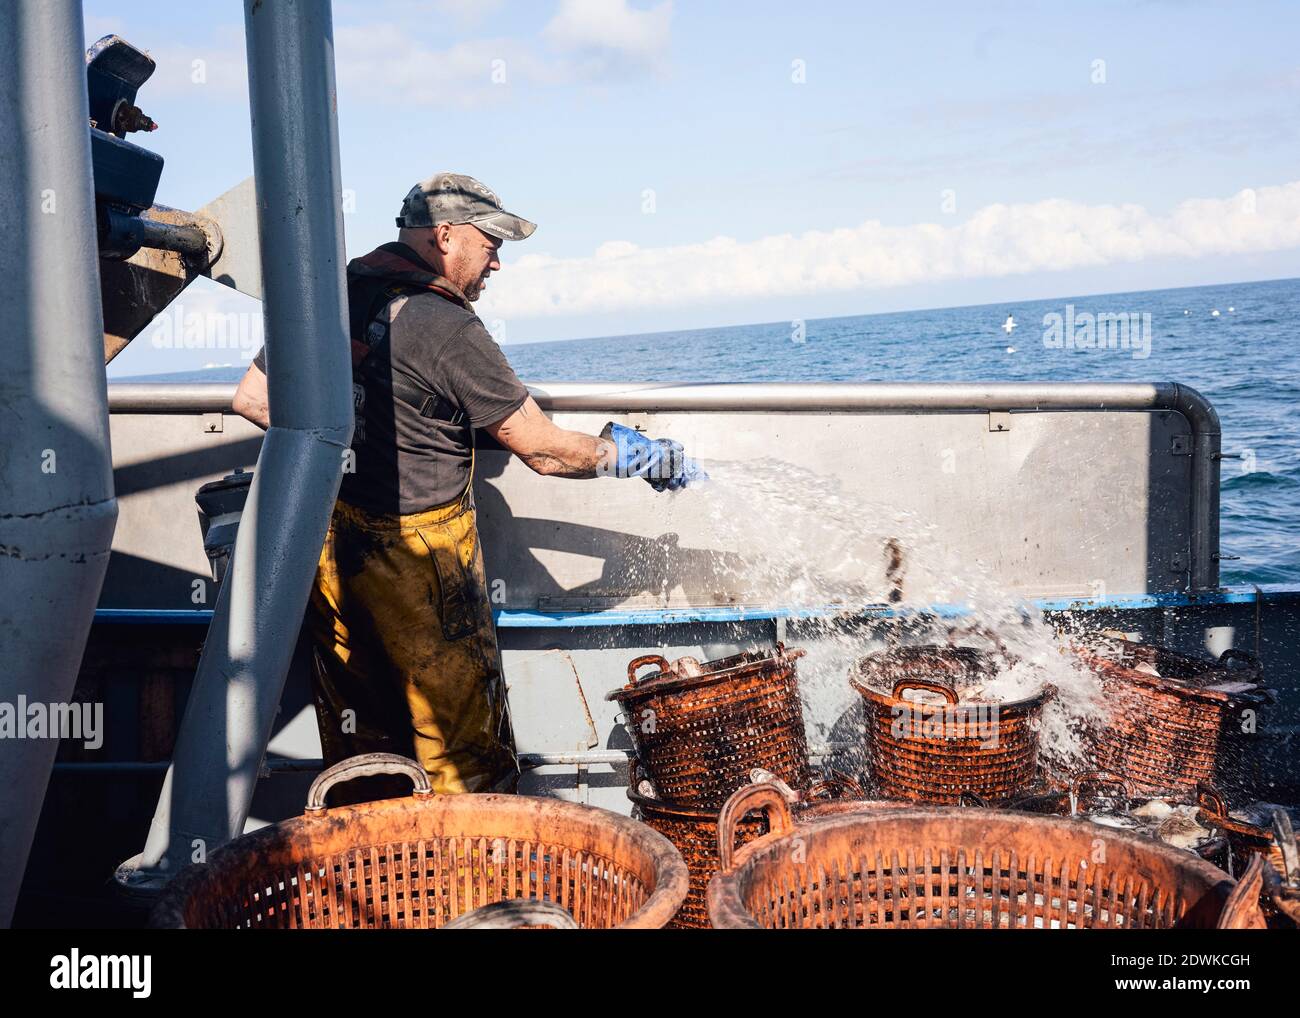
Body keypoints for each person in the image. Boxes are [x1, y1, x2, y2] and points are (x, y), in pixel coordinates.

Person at [232, 172, 701, 801]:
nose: (498, 262)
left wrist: (371, 439)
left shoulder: (335, 294)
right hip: (422, 565)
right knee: (461, 752)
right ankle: (472, 882)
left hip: (334, 551)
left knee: (362, 743)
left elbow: (254, 399)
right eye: (491, 244)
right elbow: (543, 451)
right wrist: (635, 457)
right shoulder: (447, 326)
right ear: (445, 236)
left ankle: (378, 875)